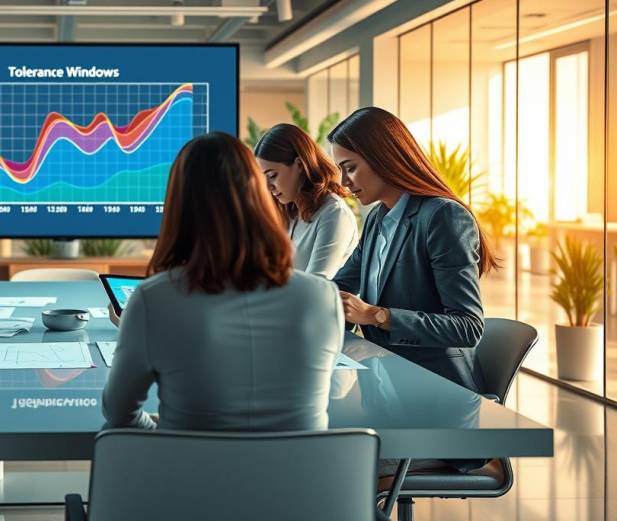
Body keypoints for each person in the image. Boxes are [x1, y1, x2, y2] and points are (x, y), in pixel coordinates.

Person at [102, 132, 345, 432]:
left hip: (191, 475)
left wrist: (167, 431)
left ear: (178, 206)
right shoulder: (321, 297)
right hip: (302, 477)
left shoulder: (153, 299)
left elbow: (120, 416)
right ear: (259, 197)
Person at [329, 107, 497, 476]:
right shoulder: (377, 219)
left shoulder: (442, 216)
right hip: (388, 406)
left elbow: (468, 327)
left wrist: (376, 315)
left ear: (383, 158)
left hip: (437, 419)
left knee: (329, 467)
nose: (343, 181)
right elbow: (338, 287)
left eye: (350, 167)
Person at [254, 123, 358, 278]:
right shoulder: (287, 212)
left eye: (273, 175)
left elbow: (316, 283)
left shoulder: (333, 213)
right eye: (264, 178)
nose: (269, 187)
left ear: (299, 165)